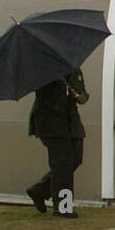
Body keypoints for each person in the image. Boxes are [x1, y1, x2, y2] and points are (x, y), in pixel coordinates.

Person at [26, 69, 88, 219]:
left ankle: (39, 190)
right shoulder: (43, 69)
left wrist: (81, 97)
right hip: (51, 121)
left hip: (71, 121)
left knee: (75, 159)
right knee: (62, 164)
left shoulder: (73, 68)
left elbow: (83, 94)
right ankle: (63, 207)